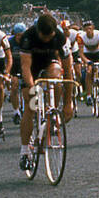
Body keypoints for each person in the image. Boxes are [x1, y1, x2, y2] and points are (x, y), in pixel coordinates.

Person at [17, 13, 74, 170]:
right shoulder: (28, 37)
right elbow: (25, 68)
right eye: (45, 37)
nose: (48, 39)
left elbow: (68, 70)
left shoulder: (60, 38)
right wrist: (32, 88)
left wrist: (68, 103)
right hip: (32, 67)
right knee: (30, 107)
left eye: (51, 36)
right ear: (38, 31)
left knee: (57, 76)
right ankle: (24, 151)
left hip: (49, 63)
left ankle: (52, 109)